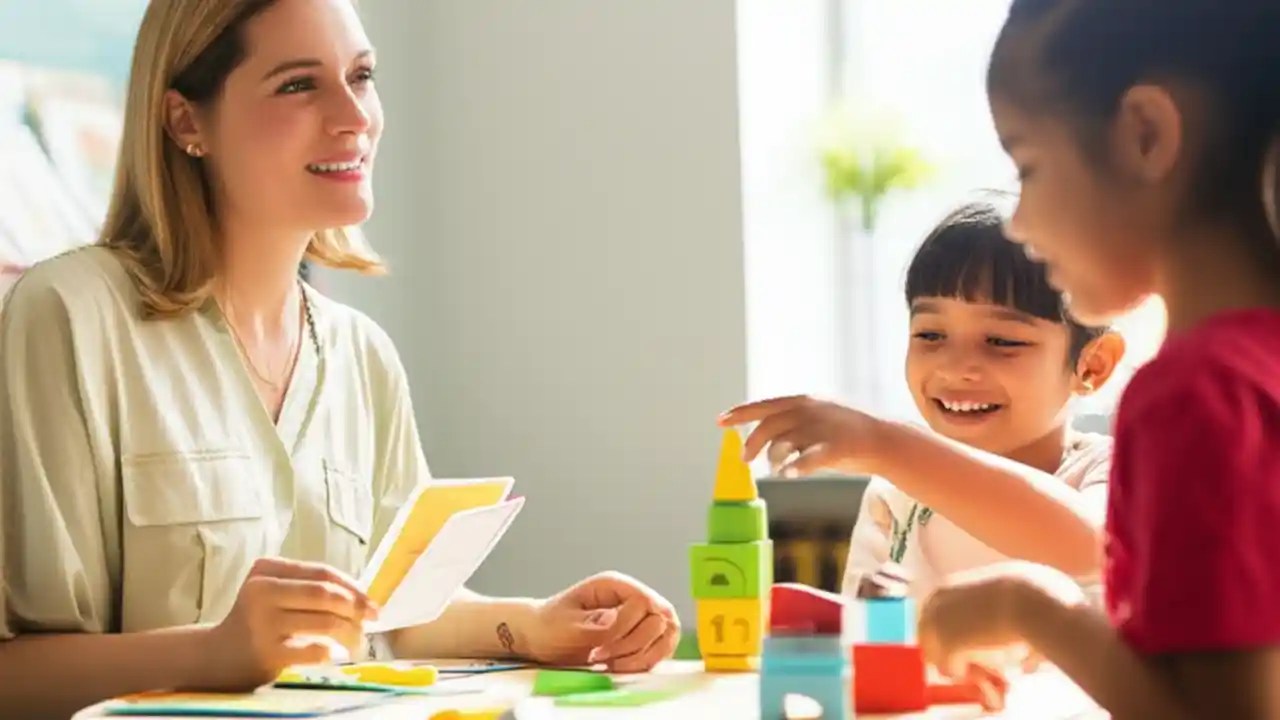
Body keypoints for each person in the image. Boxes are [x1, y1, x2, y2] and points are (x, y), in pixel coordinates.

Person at [0, 1, 678, 717]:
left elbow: (393, 614)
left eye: (362, 75)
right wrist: (212, 654)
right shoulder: (67, 317)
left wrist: (537, 625)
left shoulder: (362, 355)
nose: (354, 115)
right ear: (185, 121)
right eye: (299, 84)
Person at [910, 2, 1280, 718]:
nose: (1019, 220)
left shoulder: (1196, 395)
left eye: (1029, 164)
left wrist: (1034, 605)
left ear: (1144, 136)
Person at [777, 201, 1125, 603]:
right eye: (929, 335)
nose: (955, 368)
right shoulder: (894, 493)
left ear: (1092, 365)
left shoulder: (1111, 471)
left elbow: (1090, 548)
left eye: (1002, 341)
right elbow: (871, 640)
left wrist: (886, 444)